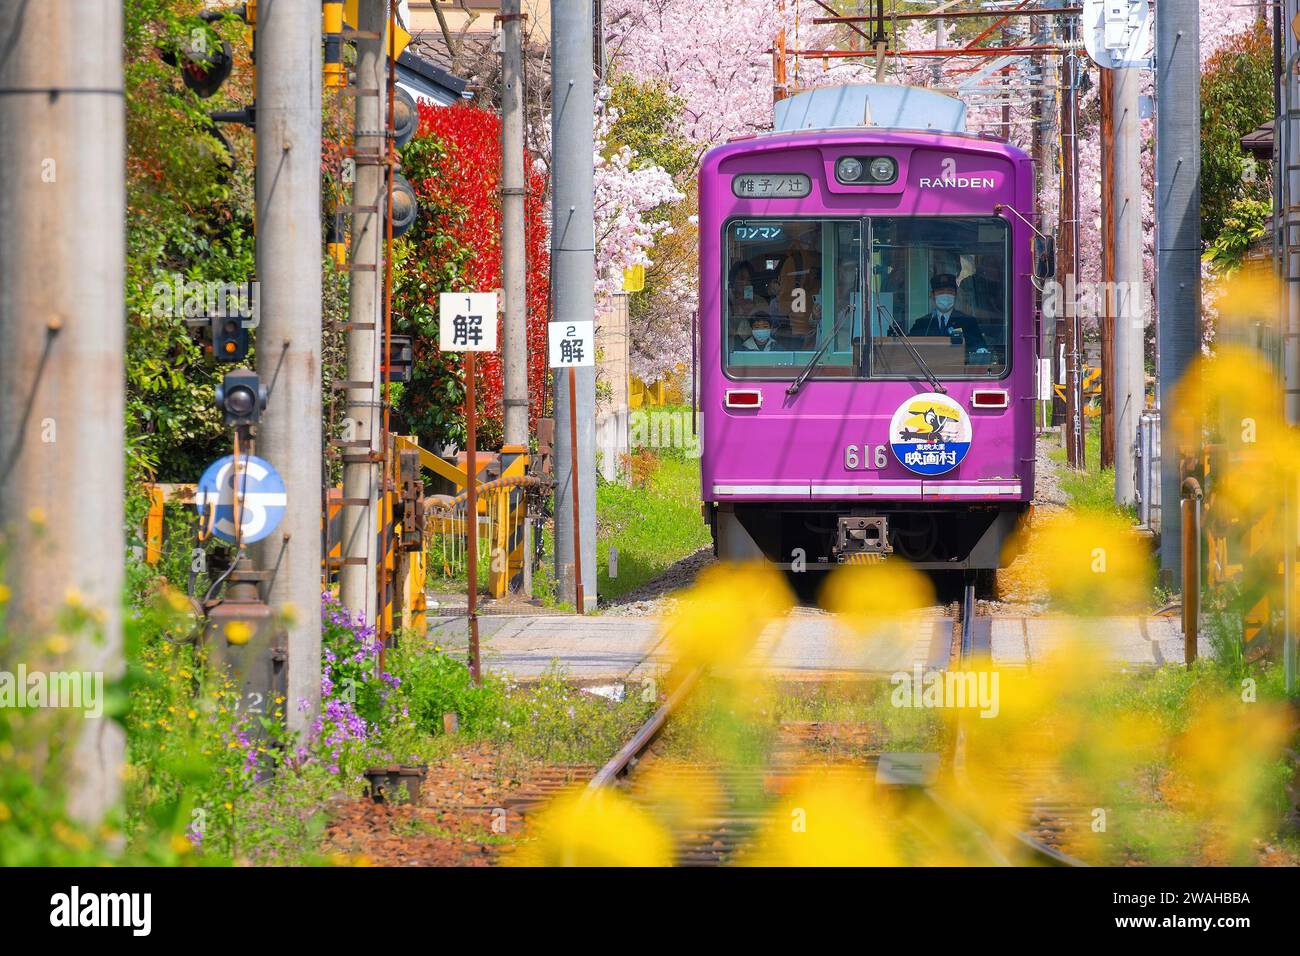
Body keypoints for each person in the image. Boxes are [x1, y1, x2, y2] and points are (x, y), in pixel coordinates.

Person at [907, 273, 988, 355]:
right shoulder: (923, 323)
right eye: (941, 292)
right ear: (932, 295)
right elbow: (908, 347)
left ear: (955, 295)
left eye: (950, 292)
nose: (945, 296)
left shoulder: (967, 321)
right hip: (927, 367)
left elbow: (979, 348)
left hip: (958, 366)